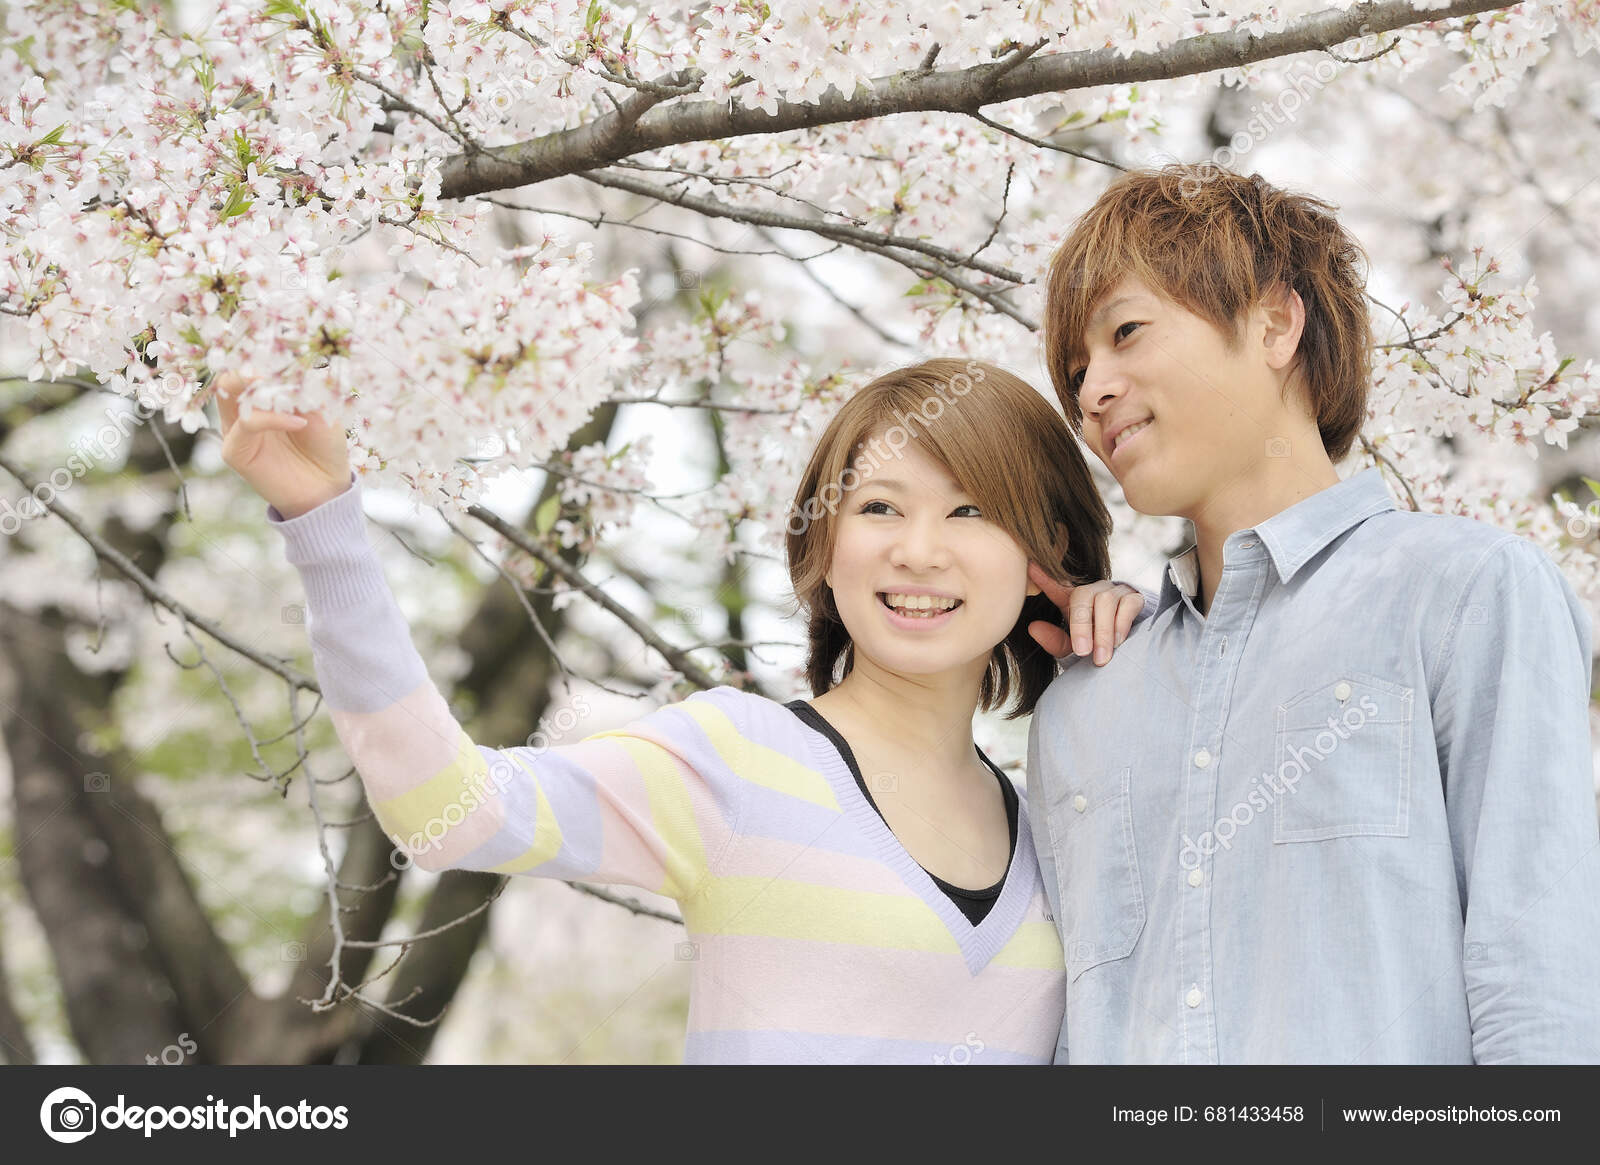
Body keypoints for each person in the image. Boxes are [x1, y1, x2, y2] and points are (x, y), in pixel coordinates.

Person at [216, 357, 1143, 1064]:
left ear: (1045, 548)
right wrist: (325, 523)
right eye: (879, 508)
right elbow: (445, 808)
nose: (918, 551)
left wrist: (1140, 659)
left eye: (971, 512)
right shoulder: (737, 760)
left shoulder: (1055, 822)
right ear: (824, 540)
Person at [1025, 163, 1600, 1063]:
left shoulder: (1465, 594)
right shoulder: (1081, 704)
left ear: (1276, 322)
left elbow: (1543, 995)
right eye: (1076, 369)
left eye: (1126, 332)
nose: (1092, 392)